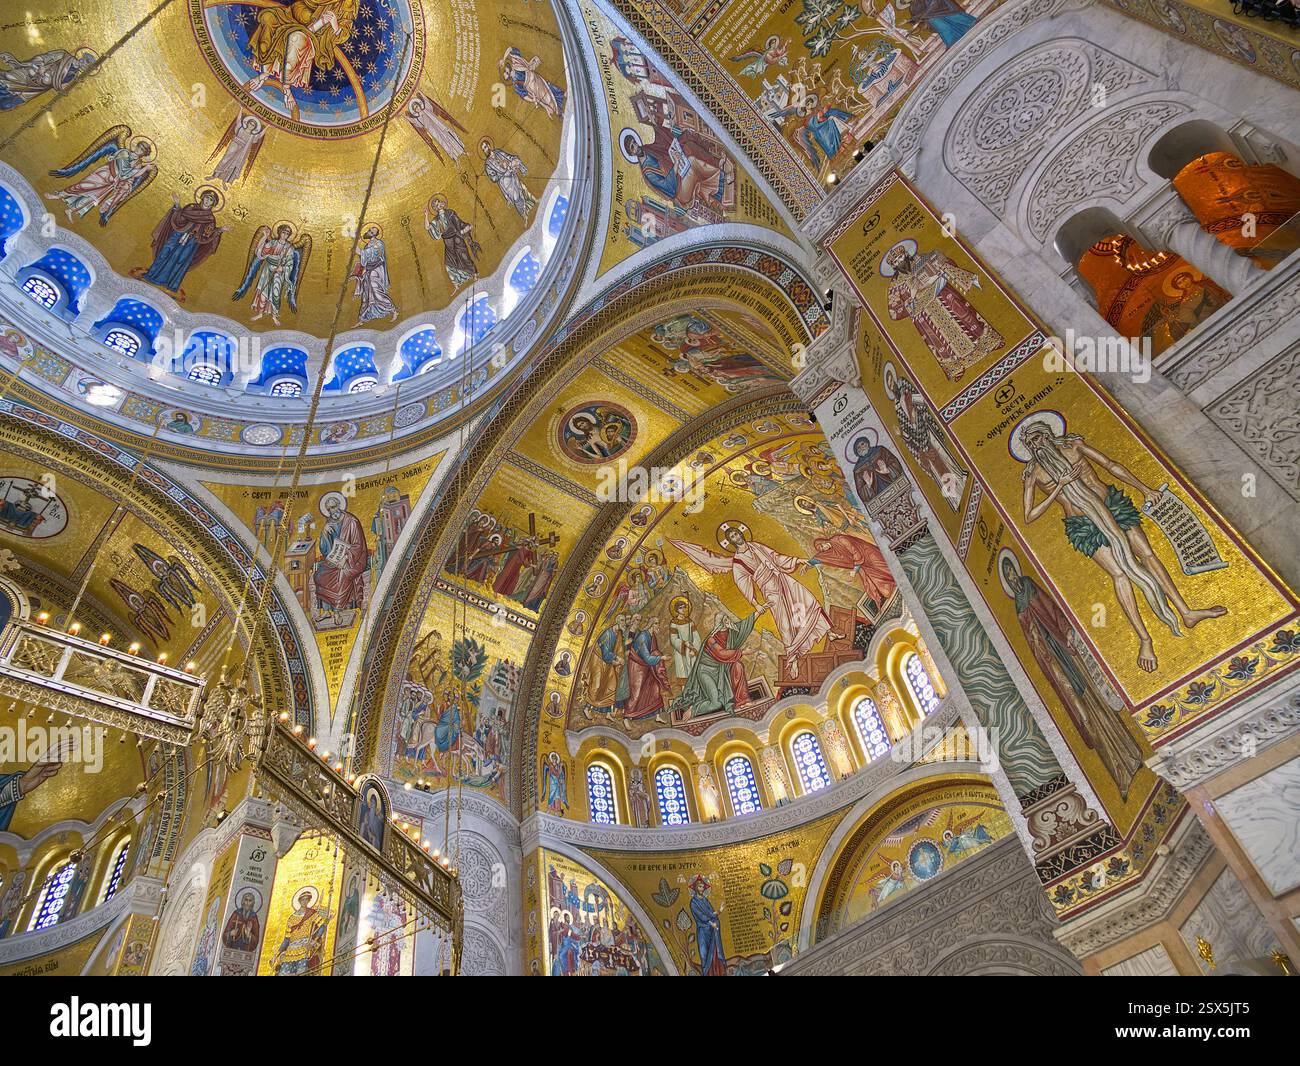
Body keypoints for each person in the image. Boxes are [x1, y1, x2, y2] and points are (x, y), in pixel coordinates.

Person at [1017, 416, 1225, 673]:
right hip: (1084, 526)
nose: (1033, 445)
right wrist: (1059, 487)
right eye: (1028, 443)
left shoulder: (1074, 447)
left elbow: (1110, 465)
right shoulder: (1033, 474)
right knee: (1119, 574)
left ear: (1046, 434)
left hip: (1113, 507)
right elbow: (1029, 516)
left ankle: (1186, 612)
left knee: (1147, 555)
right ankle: (1144, 639)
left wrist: (1144, 488)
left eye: (1035, 438)